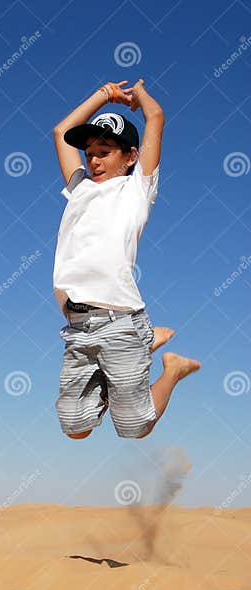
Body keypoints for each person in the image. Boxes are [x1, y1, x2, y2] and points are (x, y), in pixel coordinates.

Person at [52, 78, 200, 439]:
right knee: (75, 428)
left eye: (105, 151)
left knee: (135, 428)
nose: (94, 160)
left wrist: (140, 95)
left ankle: (172, 368)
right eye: (90, 152)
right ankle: (144, 345)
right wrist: (104, 95)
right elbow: (60, 131)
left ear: (130, 157)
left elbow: (156, 117)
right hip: (78, 325)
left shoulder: (136, 190)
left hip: (119, 321)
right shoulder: (79, 188)